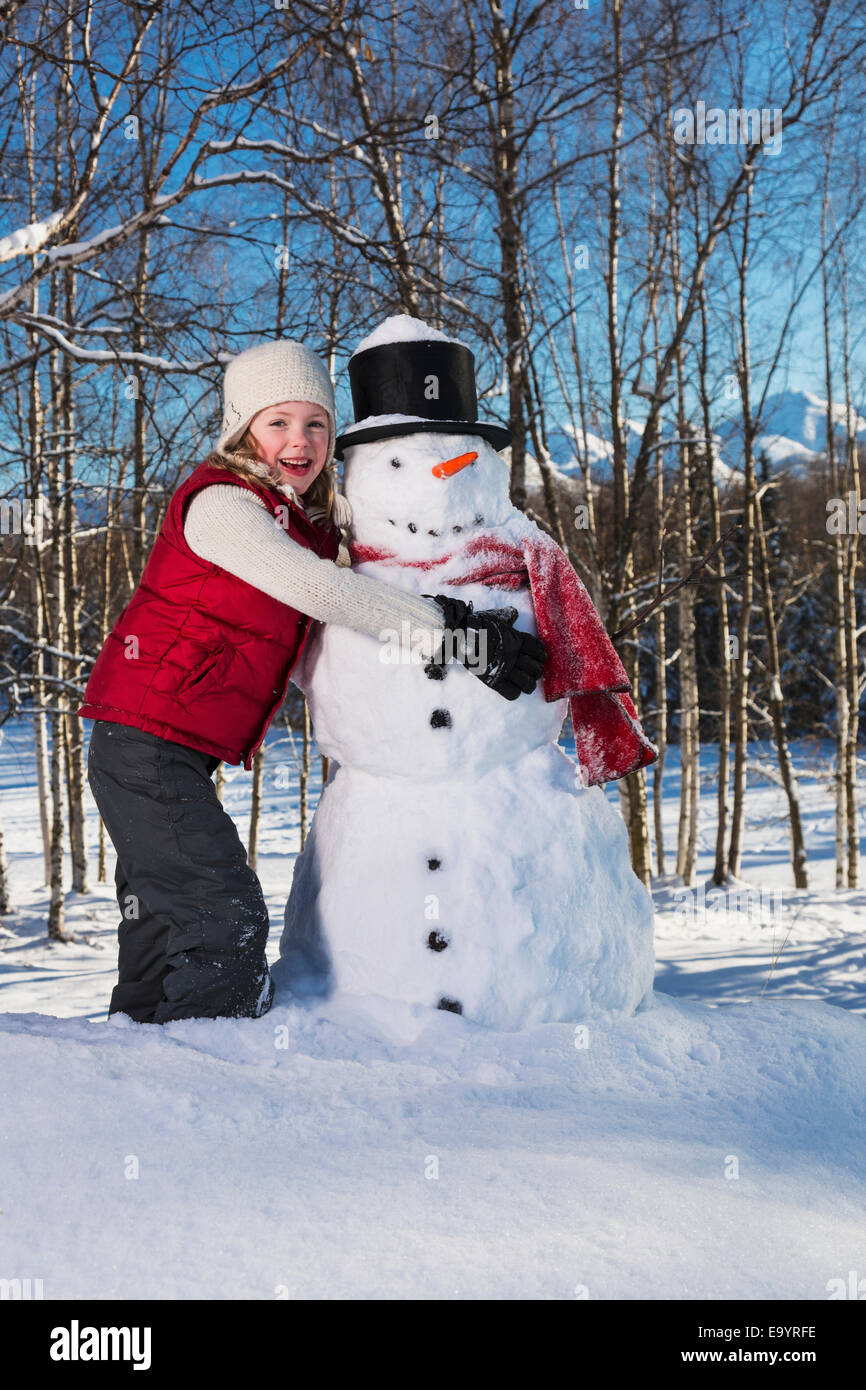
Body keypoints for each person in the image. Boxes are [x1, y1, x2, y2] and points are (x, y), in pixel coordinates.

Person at [79, 339, 546, 1024]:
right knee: (222, 916)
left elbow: (358, 555)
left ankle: (138, 1053)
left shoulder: (294, 516)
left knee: (161, 918)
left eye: (315, 424)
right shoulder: (220, 505)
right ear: (242, 429)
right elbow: (320, 589)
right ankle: (213, 1062)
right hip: (143, 744)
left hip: (163, 745)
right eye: (277, 423)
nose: (299, 441)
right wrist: (456, 635)